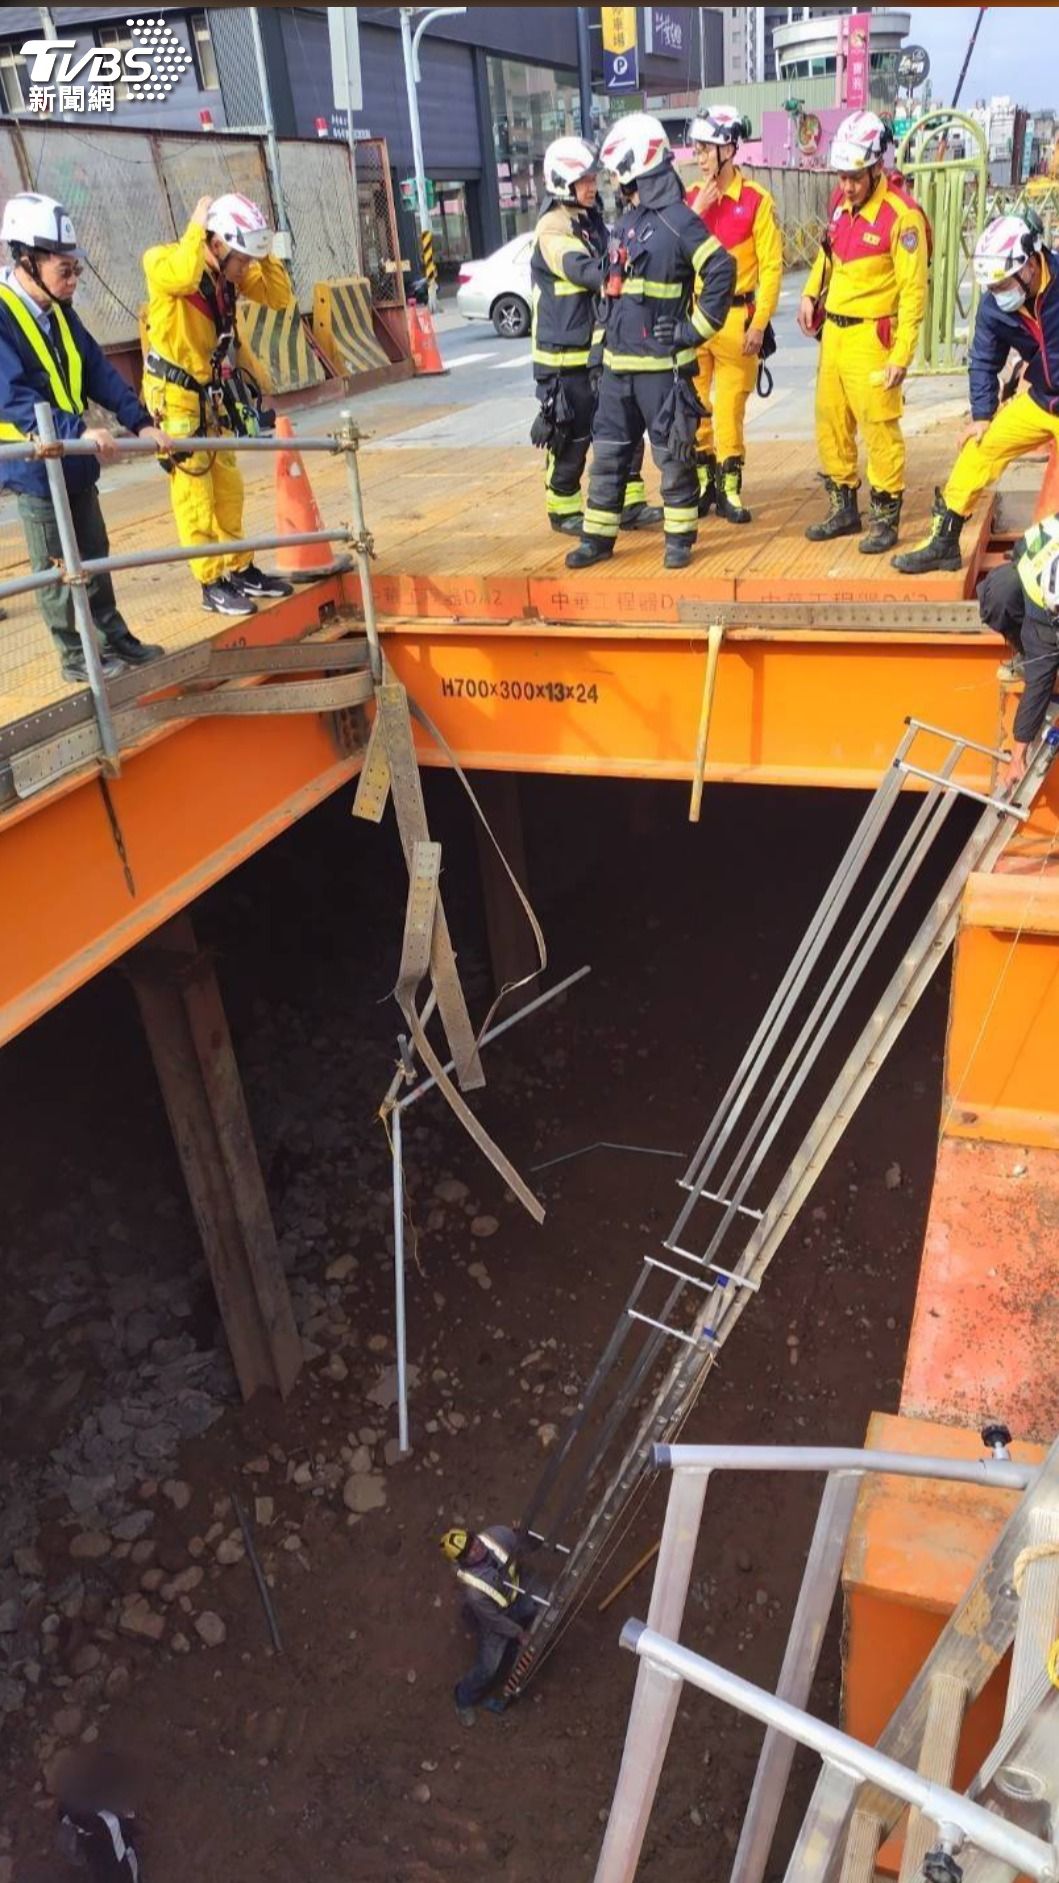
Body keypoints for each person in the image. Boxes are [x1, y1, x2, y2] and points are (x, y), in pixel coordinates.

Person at [0, 192, 168, 684]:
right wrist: (78, 431)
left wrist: (139, 420)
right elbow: (11, 394)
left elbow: (96, 369)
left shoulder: (59, 312)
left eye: (76, 271)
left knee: (94, 555)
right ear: (27, 260)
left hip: (73, 461)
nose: (72, 282)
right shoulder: (4, 314)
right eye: (65, 270)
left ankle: (113, 636)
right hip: (36, 466)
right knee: (57, 566)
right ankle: (76, 654)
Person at [566, 114, 735, 573]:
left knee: (673, 458)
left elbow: (721, 270)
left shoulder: (679, 221)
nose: (614, 179)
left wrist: (692, 331)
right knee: (608, 458)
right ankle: (597, 539)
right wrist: (601, 354)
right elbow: (613, 292)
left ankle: (679, 539)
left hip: (663, 370)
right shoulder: (627, 222)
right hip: (620, 370)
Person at [142, 192, 295, 618]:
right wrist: (198, 228)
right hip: (174, 396)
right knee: (195, 492)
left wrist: (262, 253)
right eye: (240, 258)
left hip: (209, 392)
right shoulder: (163, 261)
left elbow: (279, 297)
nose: (245, 269)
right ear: (217, 244)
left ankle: (240, 566)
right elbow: (182, 276)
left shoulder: (228, 276)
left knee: (228, 487)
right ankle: (211, 582)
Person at [893, 215, 1058, 575]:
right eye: (993, 287)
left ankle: (1044, 558)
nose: (999, 293)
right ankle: (944, 540)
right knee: (980, 449)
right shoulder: (995, 307)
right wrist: (982, 415)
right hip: (1045, 400)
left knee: (1053, 507)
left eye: (1003, 284)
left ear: (1030, 264)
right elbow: (983, 360)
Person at [796, 111, 928, 554]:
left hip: (874, 338)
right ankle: (843, 508)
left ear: (876, 168)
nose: (848, 185)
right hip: (833, 334)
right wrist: (811, 294)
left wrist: (900, 356)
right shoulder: (840, 204)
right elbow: (826, 256)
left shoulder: (901, 217)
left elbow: (913, 294)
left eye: (855, 177)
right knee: (830, 423)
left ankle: (886, 517)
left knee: (879, 427)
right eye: (843, 176)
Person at [531, 136, 661, 535]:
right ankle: (563, 506)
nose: (592, 185)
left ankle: (629, 503)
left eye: (592, 178)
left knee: (624, 425)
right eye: (583, 179)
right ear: (561, 183)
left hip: (596, 352)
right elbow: (579, 268)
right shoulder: (551, 229)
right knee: (571, 436)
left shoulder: (589, 223)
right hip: (562, 359)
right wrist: (610, 273)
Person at [686, 107, 782, 524]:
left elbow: (773, 267)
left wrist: (759, 324)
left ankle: (729, 488)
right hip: (694, 318)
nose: (700, 157)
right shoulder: (691, 199)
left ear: (728, 149)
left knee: (728, 408)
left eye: (706, 149)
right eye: (697, 149)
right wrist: (696, 214)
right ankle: (704, 482)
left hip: (737, 318)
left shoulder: (757, 201)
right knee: (693, 404)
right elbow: (671, 253)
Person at [977, 515, 1059, 786]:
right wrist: (1018, 756)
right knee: (1000, 592)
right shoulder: (1038, 589)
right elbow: (1039, 680)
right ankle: (1026, 650)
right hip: (1027, 584)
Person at [441, 1523, 537, 1727]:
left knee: (541, 1600)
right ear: (464, 1562)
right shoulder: (474, 1591)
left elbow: (526, 1546)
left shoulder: (497, 1535)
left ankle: (515, 1641)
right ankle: (463, 1698)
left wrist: (525, 1534)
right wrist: (519, 1633)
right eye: (469, 1553)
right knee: (488, 1667)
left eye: (473, 1541)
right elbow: (494, 1620)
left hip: (517, 1592)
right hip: (496, 1617)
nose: (476, 1549)